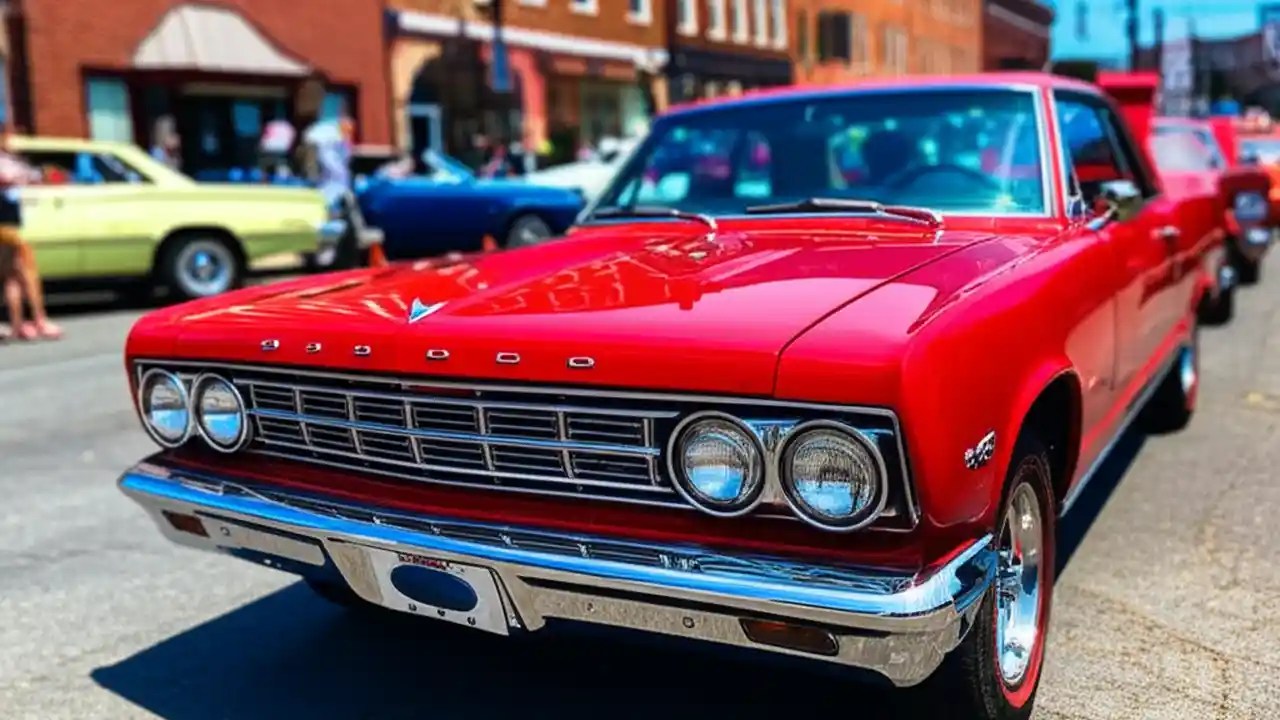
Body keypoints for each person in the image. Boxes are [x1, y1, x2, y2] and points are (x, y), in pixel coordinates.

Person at [0, 129, 59, 341]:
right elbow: (9, 178)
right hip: (6, 225)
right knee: (28, 272)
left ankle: (17, 325)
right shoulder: (4, 161)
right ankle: (39, 319)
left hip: (9, 225)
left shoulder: (10, 160)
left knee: (11, 277)